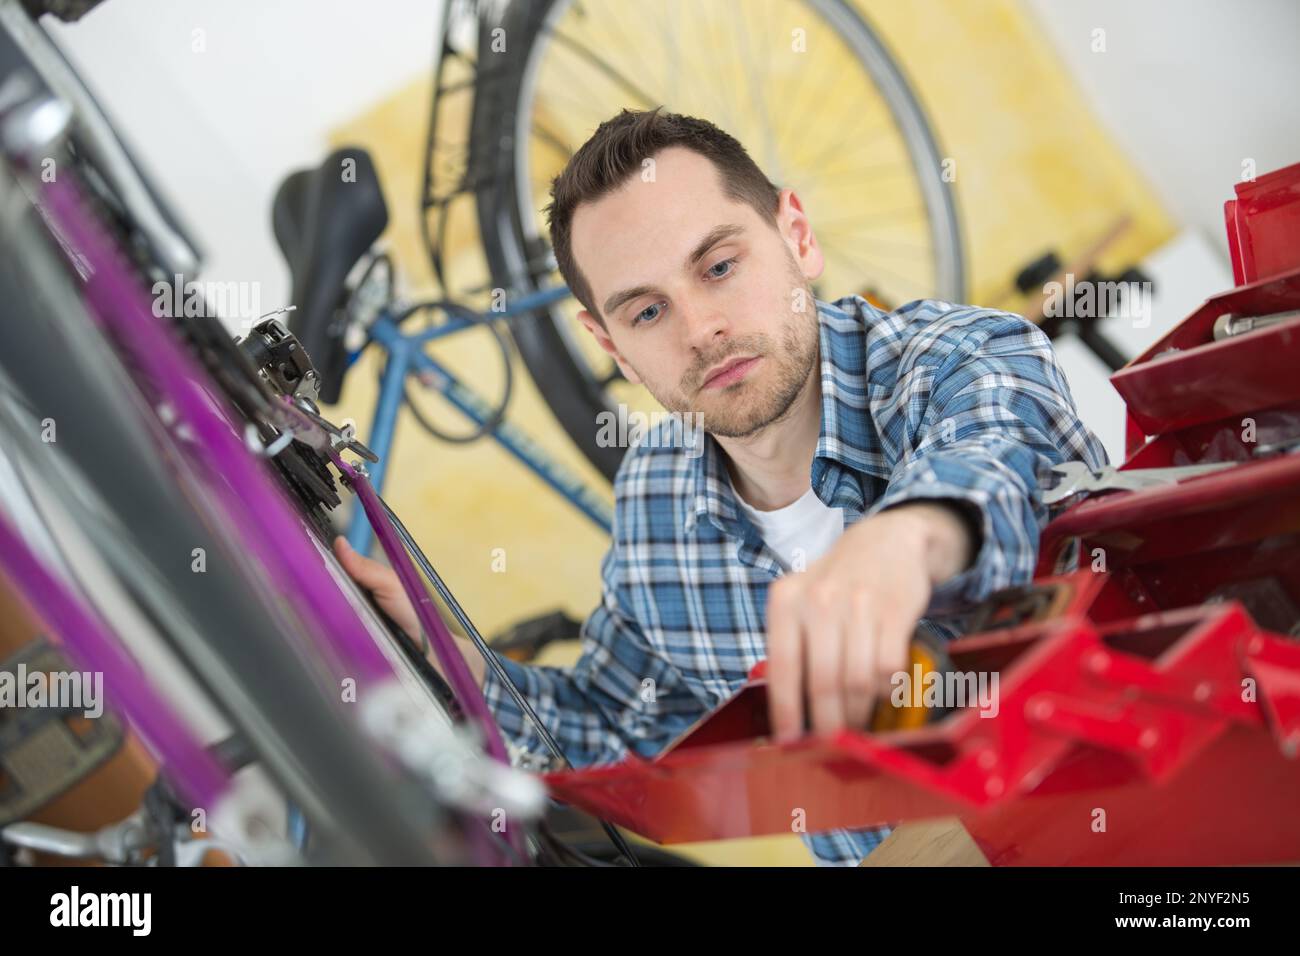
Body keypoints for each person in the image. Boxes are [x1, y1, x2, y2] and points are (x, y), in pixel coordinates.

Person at [335, 107, 1108, 865]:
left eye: (719, 267)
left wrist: (903, 542)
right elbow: (616, 725)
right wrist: (448, 656)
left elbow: (992, 450)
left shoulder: (955, 356)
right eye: (647, 310)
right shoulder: (656, 502)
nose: (700, 327)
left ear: (797, 236)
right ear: (612, 346)